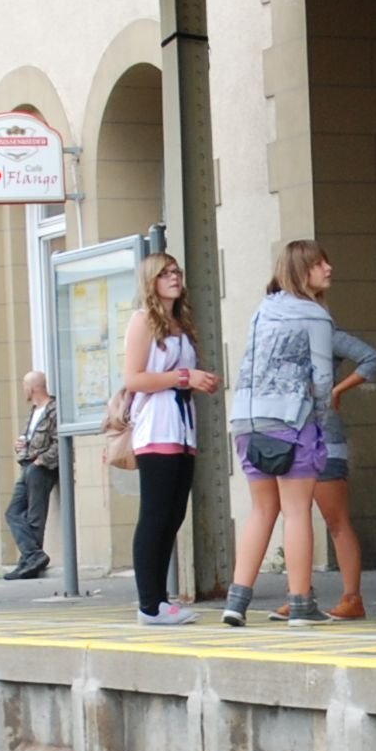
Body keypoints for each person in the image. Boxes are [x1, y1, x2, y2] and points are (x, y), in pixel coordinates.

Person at [223, 240, 339, 627]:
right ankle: (301, 602)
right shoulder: (314, 315)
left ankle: (236, 602)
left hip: (247, 421)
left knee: (261, 509)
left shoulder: (263, 310)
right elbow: (323, 378)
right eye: (319, 263)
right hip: (291, 421)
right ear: (302, 271)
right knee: (296, 511)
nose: (328, 268)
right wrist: (319, 419)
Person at [114, 255, 214, 626]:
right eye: (165, 274)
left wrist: (196, 380)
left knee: (174, 513)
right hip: (156, 427)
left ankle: (160, 598)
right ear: (151, 281)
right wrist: (184, 377)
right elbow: (134, 379)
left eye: (176, 272)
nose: (174, 278)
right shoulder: (143, 321)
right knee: (155, 514)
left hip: (182, 427)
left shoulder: (180, 323)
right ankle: (149, 602)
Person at [311, 319, 376, 619]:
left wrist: (337, 391)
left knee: (335, 519)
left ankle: (352, 598)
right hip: (292, 436)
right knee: (296, 516)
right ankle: (299, 594)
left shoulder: (326, 334)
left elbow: (374, 359)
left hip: (325, 438)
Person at [3, 371, 58, 580]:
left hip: (41, 468)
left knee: (35, 517)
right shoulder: (34, 411)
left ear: (32, 388)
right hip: (26, 465)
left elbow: (58, 442)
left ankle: (29, 563)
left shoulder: (53, 410)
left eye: (25, 386)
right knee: (13, 512)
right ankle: (33, 556)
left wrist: (41, 461)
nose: (23, 390)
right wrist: (20, 446)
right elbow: (31, 440)